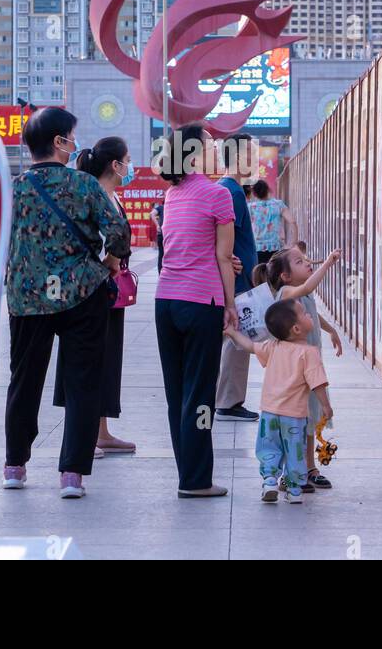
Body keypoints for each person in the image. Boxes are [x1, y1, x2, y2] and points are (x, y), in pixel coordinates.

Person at [3, 107, 131, 499]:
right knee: (82, 381)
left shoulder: (14, 188)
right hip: (81, 293)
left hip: (27, 298)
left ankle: (15, 466)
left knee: (24, 380)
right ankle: (72, 474)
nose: (76, 142)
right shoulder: (83, 185)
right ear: (59, 142)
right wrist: (110, 262)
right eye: (72, 136)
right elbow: (118, 231)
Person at [154, 123, 237, 498]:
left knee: (177, 395)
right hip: (200, 302)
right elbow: (222, 256)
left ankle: (186, 473)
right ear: (193, 154)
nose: (215, 149)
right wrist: (231, 304)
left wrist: (225, 261)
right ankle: (197, 480)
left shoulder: (173, 195)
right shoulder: (219, 196)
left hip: (166, 302)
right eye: (209, 145)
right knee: (200, 395)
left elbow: (192, 247)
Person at [53, 136, 136, 455]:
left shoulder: (113, 197)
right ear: (115, 165)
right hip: (91, 290)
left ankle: (101, 430)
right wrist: (107, 266)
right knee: (87, 362)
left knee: (106, 360)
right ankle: (83, 435)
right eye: (127, 160)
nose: (129, 167)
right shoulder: (93, 196)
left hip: (109, 292)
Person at [223, 298, 332, 504]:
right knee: (295, 451)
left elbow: (249, 346)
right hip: (295, 417)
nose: (309, 314)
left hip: (269, 413)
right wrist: (325, 406)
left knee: (269, 448)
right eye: (304, 313)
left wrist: (232, 332)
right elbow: (318, 383)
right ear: (297, 328)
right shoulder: (310, 353)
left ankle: (270, 480)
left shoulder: (272, 347)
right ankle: (294, 489)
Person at [253, 246, 342, 490]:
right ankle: (290, 472)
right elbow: (308, 287)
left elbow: (312, 312)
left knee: (310, 416)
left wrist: (331, 329)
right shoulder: (286, 293)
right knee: (295, 420)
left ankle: (309, 467)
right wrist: (328, 263)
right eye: (299, 262)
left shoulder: (304, 295)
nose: (306, 263)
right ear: (285, 276)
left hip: (309, 367)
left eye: (305, 260)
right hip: (295, 372)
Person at [214, 132, 260, 421]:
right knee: (235, 340)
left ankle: (226, 399)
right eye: (251, 153)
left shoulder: (232, 189)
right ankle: (228, 402)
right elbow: (220, 239)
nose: (255, 159)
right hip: (237, 283)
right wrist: (230, 260)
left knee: (233, 339)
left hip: (239, 280)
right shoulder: (231, 191)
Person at [248, 179, 296, 265]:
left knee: (260, 275)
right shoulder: (278, 205)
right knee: (275, 276)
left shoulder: (250, 207)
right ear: (267, 190)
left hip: (257, 249)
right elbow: (292, 222)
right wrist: (292, 244)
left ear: (254, 193)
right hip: (276, 248)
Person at [150, 201, 165, 272]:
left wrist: (157, 225)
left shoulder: (161, 207)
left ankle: (161, 274)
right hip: (170, 234)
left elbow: (152, 214)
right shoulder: (173, 207)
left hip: (162, 233)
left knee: (161, 255)